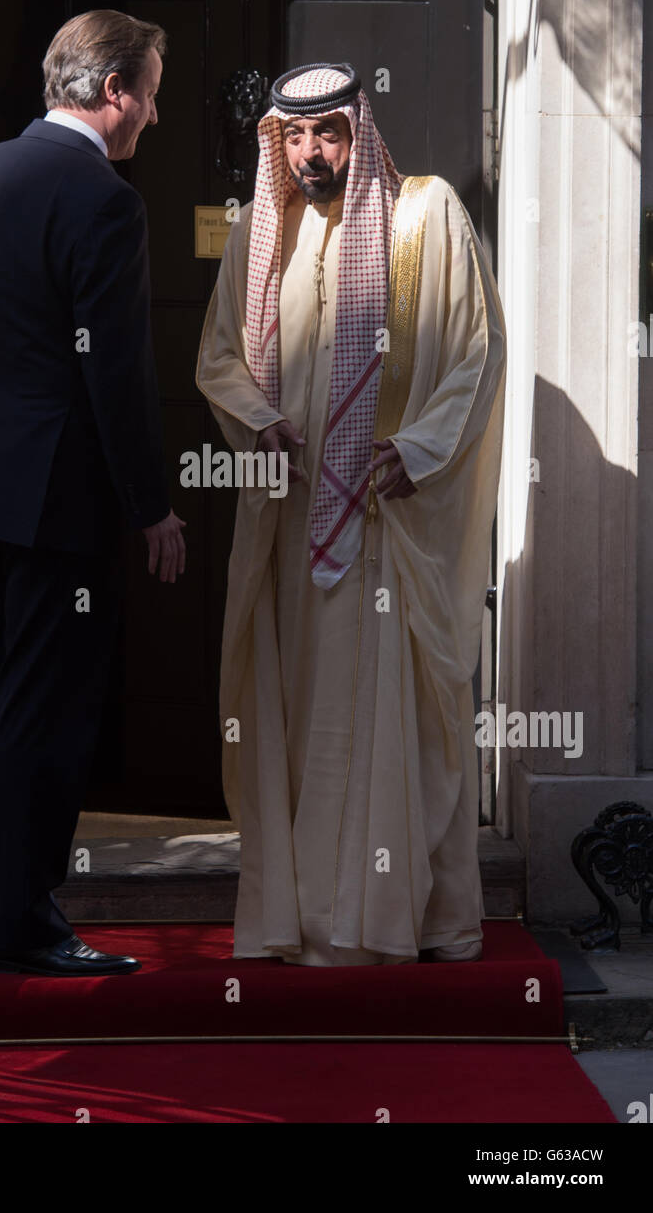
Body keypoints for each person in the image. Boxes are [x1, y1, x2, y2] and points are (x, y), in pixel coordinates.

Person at [196, 61, 506, 967]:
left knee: (387, 717)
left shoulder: (426, 214)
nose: (308, 154)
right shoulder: (259, 231)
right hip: (291, 528)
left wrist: (417, 451)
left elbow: (476, 348)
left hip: (383, 525)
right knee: (300, 721)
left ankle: (393, 922)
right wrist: (256, 418)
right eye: (291, 138)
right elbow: (217, 355)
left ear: (356, 132)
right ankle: (302, 919)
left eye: (324, 134)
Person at [0, 9, 186, 978]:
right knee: (48, 707)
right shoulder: (106, 201)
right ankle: (26, 920)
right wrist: (150, 504)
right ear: (113, 90)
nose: (153, 117)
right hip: (60, 500)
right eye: (151, 93)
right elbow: (114, 374)